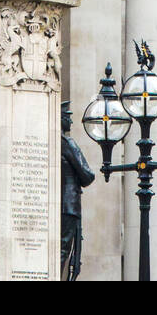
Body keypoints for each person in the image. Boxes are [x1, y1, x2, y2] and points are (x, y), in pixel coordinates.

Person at [60, 100, 94, 280]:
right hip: (69, 205)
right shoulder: (66, 142)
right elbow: (88, 175)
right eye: (67, 117)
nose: (70, 122)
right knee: (63, 250)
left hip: (60, 204)